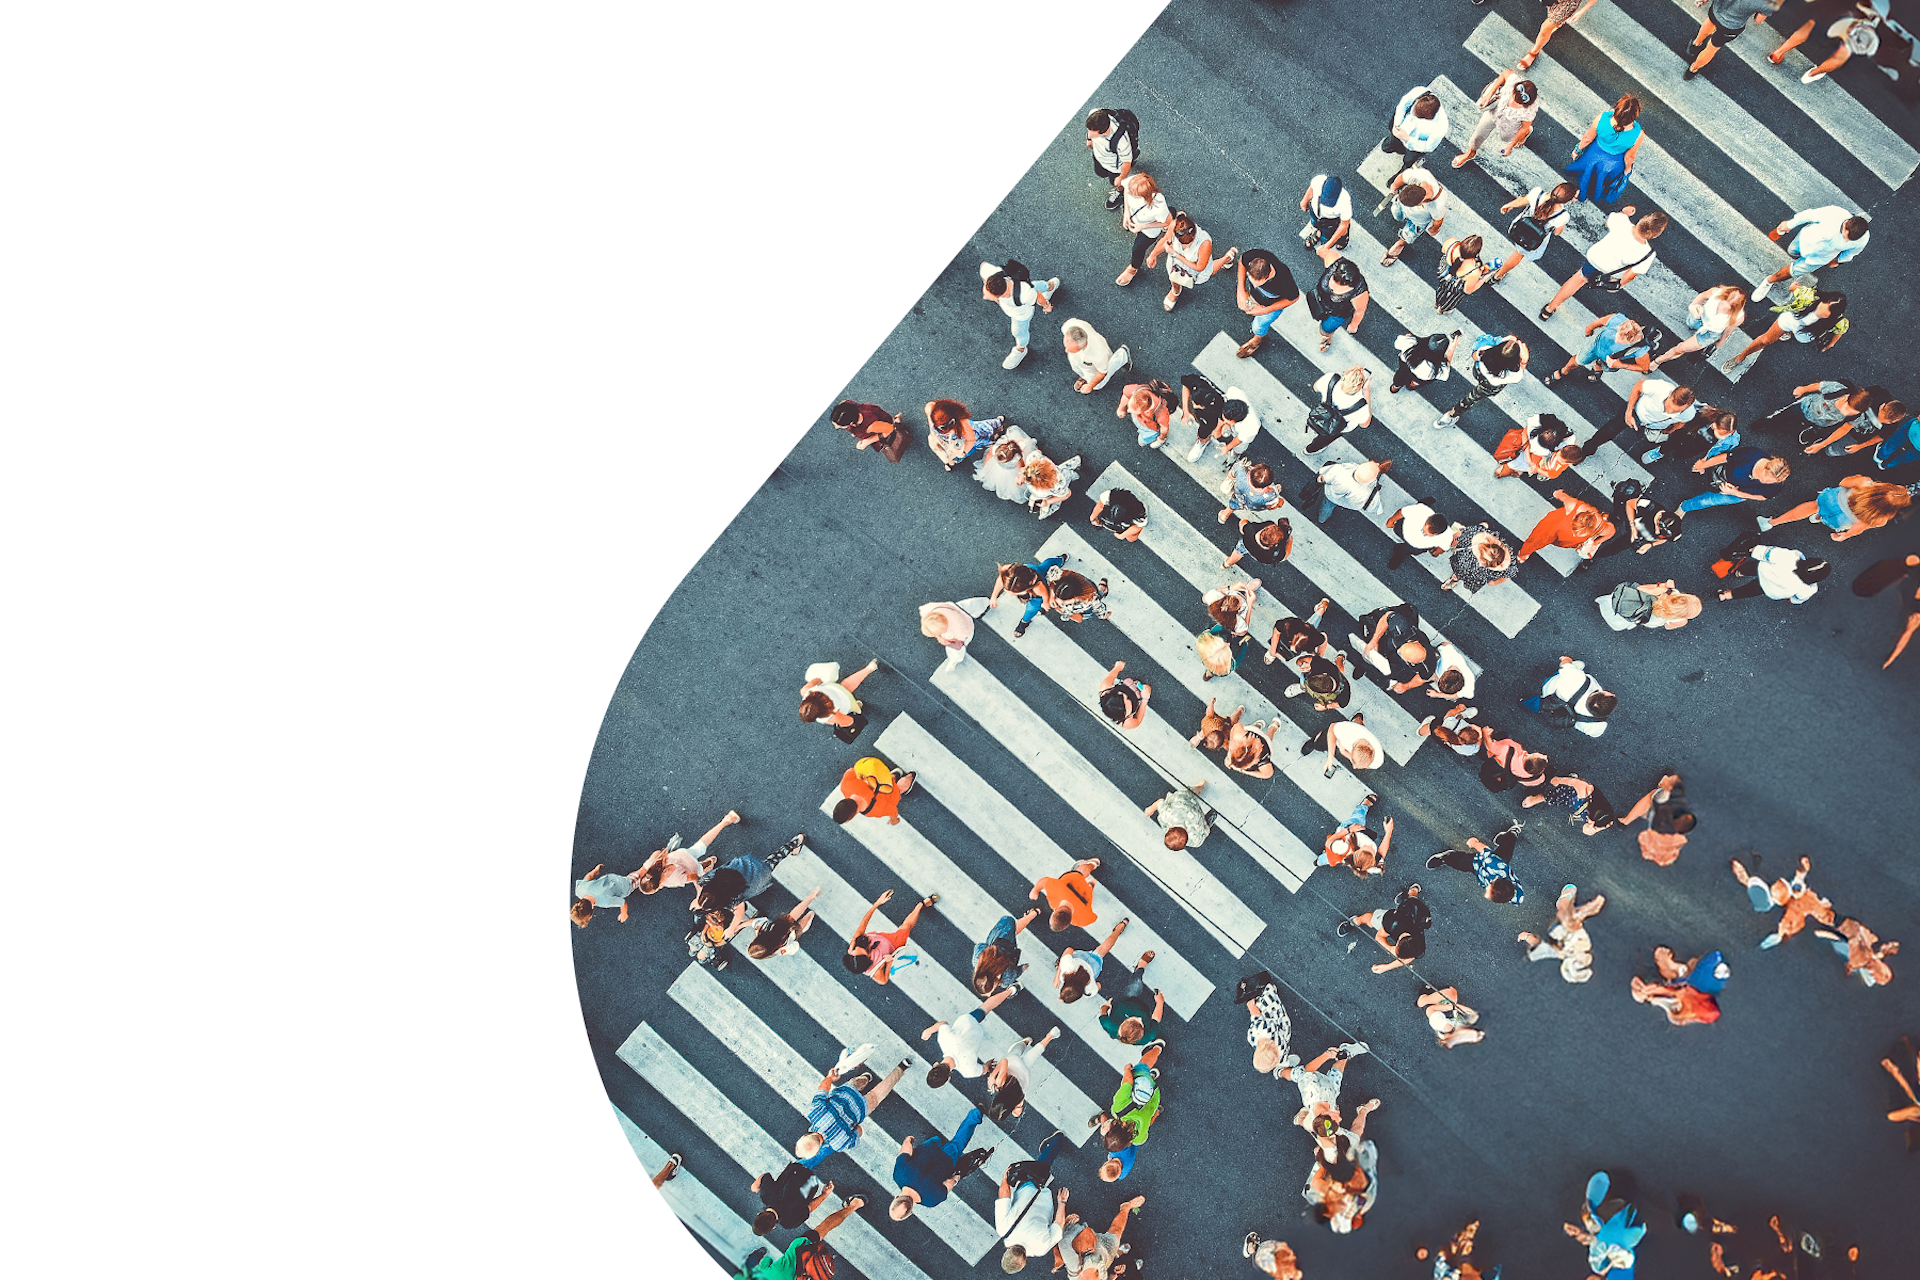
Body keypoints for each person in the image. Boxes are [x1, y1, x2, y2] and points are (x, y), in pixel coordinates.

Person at [1541, 204, 1663, 319]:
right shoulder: (1648, 254)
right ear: (1655, 235)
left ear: (1642, 220)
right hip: (1611, 274)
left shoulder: (1622, 222)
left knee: (1579, 279)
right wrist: (1618, 285)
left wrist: (1624, 212)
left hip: (1597, 260)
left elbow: (1608, 222)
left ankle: (1549, 309)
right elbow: (1631, 275)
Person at [794, 1056, 912, 1168]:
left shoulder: (838, 1144)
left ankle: (902, 1067)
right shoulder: (815, 1113)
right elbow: (824, 1088)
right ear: (805, 1135)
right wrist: (830, 1077)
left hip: (862, 1108)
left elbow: (859, 1131)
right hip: (846, 1092)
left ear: (818, 1149)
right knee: (855, 1084)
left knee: (877, 1094)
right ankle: (866, 1078)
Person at [609, 810, 744, 905]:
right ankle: (726, 820)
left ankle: (706, 863)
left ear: (658, 887)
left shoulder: (672, 881)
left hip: (690, 865)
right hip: (680, 854)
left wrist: (699, 889)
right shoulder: (651, 865)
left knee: (700, 868)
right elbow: (657, 853)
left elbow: (692, 877)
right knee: (702, 843)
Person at [1752, 205, 1870, 304]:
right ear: (1846, 223)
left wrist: (1839, 260)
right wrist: (1790, 224)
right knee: (1791, 251)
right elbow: (1809, 215)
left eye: (1849, 240)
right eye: (1845, 237)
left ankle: (1769, 281)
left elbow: (1852, 252)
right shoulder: (1835, 213)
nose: (1845, 241)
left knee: (1794, 271)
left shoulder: (1862, 239)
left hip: (1819, 259)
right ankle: (1793, 258)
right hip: (1804, 241)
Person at [889, 1107, 992, 1220]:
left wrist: (957, 1176)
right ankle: (938, 1139)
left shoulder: (931, 1200)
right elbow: (906, 1151)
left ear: (911, 1211)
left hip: (946, 1160)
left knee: (959, 1141)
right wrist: (908, 1140)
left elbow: (950, 1182)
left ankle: (976, 1115)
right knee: (934, 1141)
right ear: (896, 1197)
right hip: (927, 1149)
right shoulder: (898, 1175)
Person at [739, 1190, 866, 1279]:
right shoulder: (764, 1273)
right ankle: (855, 1204)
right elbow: (767, 1260)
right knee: (825, 1226)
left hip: (809, 1267)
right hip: (801, 1248)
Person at [994, 1133, 1070, 1273]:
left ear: (1024, 1262)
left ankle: (1056, 1146)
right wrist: (1005, 1178)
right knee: (1043, 1163)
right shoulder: (1003, 1229)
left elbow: (1058, 1224)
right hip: (1027, 1187)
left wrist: (1062, 1202)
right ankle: (1057, 1140)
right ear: (1008, 1251)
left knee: (1044, 1169)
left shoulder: (1041, 1248)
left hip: (1046, 1197)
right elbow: (1004, 1195)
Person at [1722, 288, 1848, 371]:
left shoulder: (1838, 321)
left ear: (1832, 316)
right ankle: (1740, 357)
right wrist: (1794, 287)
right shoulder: (1809, 295)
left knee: (1798, 337)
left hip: (1806, 333)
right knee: (1765, 340)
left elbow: (1840, 331)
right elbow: (1795, 289)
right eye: (1821, 307)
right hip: (1791, 319)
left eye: (1824, 314)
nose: (1819, 312)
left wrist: (1830, 345)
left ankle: (1789, 333)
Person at [922, 985, 1023, 1086]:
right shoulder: (943, 1040)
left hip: (977, 1035)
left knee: (986, 1010)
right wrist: (930, 1030)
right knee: (987, 1006)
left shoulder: (968, 1071)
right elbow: (943, 1023)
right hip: (968, 1021)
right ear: (935, 1064)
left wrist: (987, 1065)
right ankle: (1011, 990)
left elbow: (984, 1069)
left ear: (948, 1078)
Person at [1730, 854, 1833, 948]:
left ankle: (1747, 879)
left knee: (1770, 901)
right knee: (1775, 897)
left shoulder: (1793, 918)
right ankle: (1747, 879)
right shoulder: (1809, 905)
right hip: (1787, 894)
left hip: (1781, 897)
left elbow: (1784, 929)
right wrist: (1802, 873)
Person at [841, 888, 940, 985]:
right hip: (892, 945)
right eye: (865, 951)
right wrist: (889, 963)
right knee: (906, 927)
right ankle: (921, 905)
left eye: (857, 948)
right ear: (867, 959)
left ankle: (921, 905)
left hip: (879, 939)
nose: (860, 946)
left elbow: (863, 924)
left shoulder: (854, 946)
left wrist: (877, 903)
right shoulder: (874, 971)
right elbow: (883, 981)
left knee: (904, 928)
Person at [1769, 476, 1911, 541]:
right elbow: (1859, 527)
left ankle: (1774, 522)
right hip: (1841, 520)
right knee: (1827, 518)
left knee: (1814, 505)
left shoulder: (1865, 482)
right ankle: (1821, 518)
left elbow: (1843, 482)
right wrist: (1845, 535)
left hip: (1833, 500)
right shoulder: (1880, 519)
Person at [1562, 92, 1643, 206]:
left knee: (1587, 172)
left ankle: (1582, 190)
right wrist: (1627, 170)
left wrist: (1577, 150)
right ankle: (1595, 191)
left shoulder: (1602, 118)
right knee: (1601, 179)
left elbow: (1587, 138)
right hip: (1614, 162)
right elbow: (1630, 156)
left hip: (1594, 153)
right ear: (1634, 115)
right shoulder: (1638, 134)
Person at [1432, 335, 1527, 429]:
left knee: (1470, 398)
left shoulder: (1485, 351)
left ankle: (1449, 417)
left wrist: (1502, 341)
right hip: (1490, 386)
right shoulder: (1513, 373)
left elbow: (1474, 356)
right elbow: (1519, 373)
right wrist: (1524, 360)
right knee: (1471, 399)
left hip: (1479, 372)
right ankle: (1450, 416)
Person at [1491, 182, 1576, 286]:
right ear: (1567, 201)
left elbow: (1521, 201)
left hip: (1521, 226)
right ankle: (1497, 276)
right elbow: (1557, 232)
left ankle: (1497, 275)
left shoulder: (1537, 193)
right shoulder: (1563, 216)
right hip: (1533, 238)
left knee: (1518, 251)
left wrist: (1508, 205)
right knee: (1519, 254)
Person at [1518, 883, 1606, 983]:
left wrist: (1527, 936)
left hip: (1559, 927)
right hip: (1570, 924)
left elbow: (1538, 945)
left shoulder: (1560, 952)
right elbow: (1578, 933)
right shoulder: (1584, 946)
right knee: (1572, 919)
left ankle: (1567, 904)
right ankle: (1571, 904)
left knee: (1570, 919)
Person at [1565, 1171, 1647, 1278]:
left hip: (1616, 1229)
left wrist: (1581, 1234)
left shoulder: (1597, 1265)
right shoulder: (1611, 1267)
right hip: (1625, 1232)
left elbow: (1595, 1242)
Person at [1588, 376, 1698, 454]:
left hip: (1653, 425)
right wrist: (1629, 412)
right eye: (1670, 406)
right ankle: (1590, 447)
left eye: (1675, 411)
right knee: (1611, 430)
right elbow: (1638, 386)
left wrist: (1671, 429)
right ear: (1670, 394)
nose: (1669, 411)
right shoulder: (1660, 387)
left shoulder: (1688, 413)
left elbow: (1682, 422)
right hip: (1635, 413)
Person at [980, 260, 1058, 370]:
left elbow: (1037, 296)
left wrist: (1046, 306)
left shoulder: (1023, 295)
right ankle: (1049, 286)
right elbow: (983, 265)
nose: (987, 297)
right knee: (1033, 285)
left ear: (1003, 294)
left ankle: (1021, 349)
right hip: (1025, 287)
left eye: (993, 296)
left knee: (1018, 331)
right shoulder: (994, 276)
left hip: (1021, 314)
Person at [1280, 1041, 1372, 1135]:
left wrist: (1327, 1055)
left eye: (1336, 1118)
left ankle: (1280, 1070)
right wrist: (1334, 1111)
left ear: (1325, 1113)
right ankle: (1346, 1052)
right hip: (1330, 1091)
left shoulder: (1311, 1092)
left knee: (1294, 1074)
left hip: (1311, 1080)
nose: (1340, 1118)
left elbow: (1308, 1070)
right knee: (1337, 1073)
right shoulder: (1323, 1118)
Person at [1151, 210, 1235, 312]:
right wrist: (1153, 255)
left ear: (1194, 236)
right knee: (1174, 276)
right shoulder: (1174, 226)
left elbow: (1200, 267)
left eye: (1187, 244)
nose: (1183, 247)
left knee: (1211, 271)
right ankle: (1175, 291)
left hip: (1194, 267)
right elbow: (1165, 240)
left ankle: (1227, 257)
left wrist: (1175, 254)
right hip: (1176, 263)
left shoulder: (1205, 243)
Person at [1339, 883, 1431, 973]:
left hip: (1417, 912)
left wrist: (1386, 967)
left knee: (1412, 901)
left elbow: (1410, 958)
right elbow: (1379, 936)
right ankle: (1355, 921)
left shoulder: (1418, 947)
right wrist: (1390, 948)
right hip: (1402, 915)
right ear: (1398, 941)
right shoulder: (1392, 923)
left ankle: (1412, 892)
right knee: (1370, 921)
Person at [1455, 69, 1538, 168]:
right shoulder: (1513, 81)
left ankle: (1527, 133)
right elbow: (1504, 74)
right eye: (1514, 95)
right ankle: (1470, 153)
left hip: (1510, 124)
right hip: (1495, 112)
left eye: (1518, 103)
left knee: (1506, 138)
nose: (1512, 101)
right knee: (1478, 134)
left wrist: (1510, 146)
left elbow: (1524, 127)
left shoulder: (1530, 110)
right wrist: (1488, 95)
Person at [1428, 820, 1525, 903]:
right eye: (1488, 890)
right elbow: (1485, 850)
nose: (1485, 894)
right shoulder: (1492, 864)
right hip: (1479, 864)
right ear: (1494, 882)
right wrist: (1474, 843)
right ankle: (1446, 858)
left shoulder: (1516, 897)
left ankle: (1511, 835)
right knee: (1461, 862)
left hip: (1491, 870)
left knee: (1507, 850)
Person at [1676, 447, 1791, 516]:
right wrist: (1703, 465)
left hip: (1736, 493)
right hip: (1724, 475)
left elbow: (1763, 497)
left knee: (1708, 501)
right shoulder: (1752, 454)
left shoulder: (1777, 485)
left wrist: (1737, 494)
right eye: (1766, 476)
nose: (1764, 481)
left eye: (1771, 481)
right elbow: (1726, 458)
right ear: (1767, 466)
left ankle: (1684, 507)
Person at [1652, 286, 1747, 371]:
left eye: (1728, 308)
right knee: (1689, 322)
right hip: (1699, 319)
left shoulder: (1738, 317)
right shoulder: (1716, 292)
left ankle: (1658, 361)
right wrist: (1693, 307)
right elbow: (1701, 297)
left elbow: (1728, 330)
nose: (1723, 307)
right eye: (1723, 301)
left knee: (1680, 348)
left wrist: (1720, 341)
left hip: (1710, 333)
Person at [1544, 311, 1653, 385]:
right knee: (1579, 360)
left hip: (1613, 360)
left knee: (1603, 365)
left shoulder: (1641, 348)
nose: (1616, 338)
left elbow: (1644, 367)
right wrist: (1589, 329)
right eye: (1619, 334)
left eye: (1622, 340)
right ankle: (1564, 370)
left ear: (1632, 341)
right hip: (1595, 346)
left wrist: (1620, 365)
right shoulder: (1617, 320)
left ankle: (1597, 368)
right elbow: (1600, 322)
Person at [1522, 655, 1616, 738]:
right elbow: (1591, 733)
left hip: (1549, 690)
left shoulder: (1579, 679)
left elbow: (1564, 663)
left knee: (1579, 665)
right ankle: (1524, 703)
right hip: (1562, 711)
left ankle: (1525, 702)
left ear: (1598, 693)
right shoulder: (1599, 726)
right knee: (1539, 705)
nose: (1612, 693)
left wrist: (1566, 658)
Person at [1054, 1195, 1147, 1280]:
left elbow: (1064, 1242)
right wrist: (1115, 1275)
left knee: (1067, 1235)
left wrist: (1070, 1229)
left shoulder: (1075, 1267)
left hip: (1084, 1246)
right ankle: (1126, 1207)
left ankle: (1066, 1225)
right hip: (1106, 1256)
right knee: (1116, 1231)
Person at [1631, 946, 1729, 1025]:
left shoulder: (1687, 990)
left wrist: (1645, 992)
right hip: (1698, 983)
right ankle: (1678, 970)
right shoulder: (1695, 990)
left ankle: (1678, 970)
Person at [1349, 601, 1434, 692]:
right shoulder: (1402, 627)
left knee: (1391, 664)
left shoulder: (1429, 665)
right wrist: (1374, 641)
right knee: (1369, 647)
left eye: (1401, 653)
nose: (1399, 650)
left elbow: (1423, 678)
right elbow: (1387, 616)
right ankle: (1364, 664)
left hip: (1393, 652)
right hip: (1387, 634)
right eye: (1402, 647)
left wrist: (1406, 686)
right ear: (1414, 642)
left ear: (1413, 663)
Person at [1685, 0, 1783, 78]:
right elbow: (1758, 20)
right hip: (1732, 26)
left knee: (1709, 23)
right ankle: (1693, 69)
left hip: (1717, 10)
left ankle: (1695, 44)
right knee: (1712, 49)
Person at [984, 1029, 1062, 1125]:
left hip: (1025, 1074)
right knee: (1015, 1050)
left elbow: (1017, 1113)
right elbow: (1004, 1061)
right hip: (1014, 1062)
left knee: (1034, 1055)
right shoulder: (1000, 1083)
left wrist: (1014, 1112)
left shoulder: (1016, 1101)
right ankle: (1026, 1042)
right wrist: (992, 1076)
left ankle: (1050, 1036)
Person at [1617, 772, 1695, 865]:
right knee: (1659, 797)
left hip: (1655, 814)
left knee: (1657, 797)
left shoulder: (1672, 820)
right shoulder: (1678, 807)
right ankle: (1627, 820)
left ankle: (1626, 820)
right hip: (1656, 813)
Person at [1234, 248, 1300, 358]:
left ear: (1268, 275)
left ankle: (1257, 340)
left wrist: (1263, 311)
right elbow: (1242, 261)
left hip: (1271, 305)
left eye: (1259, 284)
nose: (1255, 286)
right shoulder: (1254, 257)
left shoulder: (1284, 279)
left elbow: (1293, 298)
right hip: (1259, 298)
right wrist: (1241, 290)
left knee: (1258, 326)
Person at [1516, 490, 1612, 565]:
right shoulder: (1599, 526)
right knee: (1538, 539)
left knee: (1539, 539)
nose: (1574, 534)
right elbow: (1611, 532)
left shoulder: (1574, 506)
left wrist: (1558, 494)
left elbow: (1565, 497)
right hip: (1560, 533)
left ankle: (1524, 554)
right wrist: (1595, 542)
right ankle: (1524, 553)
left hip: (1558, 529)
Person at [1378, 166, 1449, 267]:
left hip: (1419, 220)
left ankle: (1400, 243)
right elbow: (1402, 177)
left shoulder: (1439, 204)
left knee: (1410, 236)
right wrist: (1394, 186)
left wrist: (1433, 230)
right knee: (1395, 211)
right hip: (1404, 205)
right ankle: (1403, 212)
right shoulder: (1420, 175)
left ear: (1420, 204)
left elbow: (1437, 223)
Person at [1715, 543, 1830, 603]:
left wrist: (1754, 550)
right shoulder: (1809, 588)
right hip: (1769, 589)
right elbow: (1800, 598)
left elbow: (1769, 553)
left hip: (1764, 570)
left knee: (1751, 568)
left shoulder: (1791, 558)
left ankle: (1739, 572)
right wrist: (1792, 600)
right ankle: (1725, 596)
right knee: (1748, 591)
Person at [1056, 916, 1132, 1006]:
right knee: (1100, 948)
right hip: (1080, 958)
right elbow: (1069, 950)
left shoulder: (1089, 991)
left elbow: (1098, 985)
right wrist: (1057, 975)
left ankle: (1118, 930)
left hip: (1094, 967)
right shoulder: (1067, 969)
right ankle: (1118, 929)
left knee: (1103, 949)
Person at [1376, 85, 1450, 177]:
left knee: (1408, 161)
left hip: (1415, 146)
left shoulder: (1440, 127)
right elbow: (1403, 105)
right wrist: (1397, 124)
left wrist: (1407, 139)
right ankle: (1396, 147)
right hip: (1399, 130)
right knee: (1387, 146)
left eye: (1417, 115)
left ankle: (1402, 174)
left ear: (1427, 118)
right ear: (1419, 99)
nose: (1413, 114)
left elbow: (1429, 146)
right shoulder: (1420, 92)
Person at [1115, 172, 1173, 287]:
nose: (1130, 193)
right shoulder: (1134, 182)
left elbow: (1167, 222)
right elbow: (1127, 190)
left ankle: (1133, 268)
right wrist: (1127, 212)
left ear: (1145, 194)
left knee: (1138, 249)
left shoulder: (1158, 204)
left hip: (1148, 230)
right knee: (1167, 213)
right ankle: (1176, 213)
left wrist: (1142, 226)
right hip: (1135, 218)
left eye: (1134, 194)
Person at [1308, 247, 1370, 352]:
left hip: (1337, 313)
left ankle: (1328, 337)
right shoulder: (1333, 261)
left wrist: (1354, 325)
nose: (1334, 289)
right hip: (1320, 301)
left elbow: (1360, 310)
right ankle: (1327, 338)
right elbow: (1321, 251)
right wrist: (1322, 249)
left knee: (1325, 330)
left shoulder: (1360, 292)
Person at [1097, 950, 1165, 1045]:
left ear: (1123, 1023)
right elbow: (1155, 1019)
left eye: (1135, 1019)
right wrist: (1160, 1003)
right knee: (1136, 986)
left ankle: (1140, 967)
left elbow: (1103, 1013)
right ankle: (1140, 968)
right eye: (1141, 1022)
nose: (1140, 1018)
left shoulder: (1110, 1026)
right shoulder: (1148, 1036)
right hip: (1144, 1009)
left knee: (1135, 985)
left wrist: (1107, 1005)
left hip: (1124, 1001)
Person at [750, 1161, 835, 1235]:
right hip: (796, 1168)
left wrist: (825, 1194)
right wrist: (755, 1186)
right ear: (759, 1213)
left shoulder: (789, 1222)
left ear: (773, 1227)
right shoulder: (766, 1194)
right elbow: (765, 1176)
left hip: (811, 1181)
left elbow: (810, 1207)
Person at [989, 555, 1064, 639]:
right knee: (1043, 567)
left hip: (1035, 595)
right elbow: (1001, 578)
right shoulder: (1010, 573)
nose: (1010, 595)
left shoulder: (1038, 588)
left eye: (1015, 593)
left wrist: (1045, 603)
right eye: (1008, 591)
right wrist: (994, 596)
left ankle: (1024, 622)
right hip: (1031, 569)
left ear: (1031, 584)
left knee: (1031, 609)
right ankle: (1059, 560)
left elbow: (1045, 595)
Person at [973, 907, 1041, 997]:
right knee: (1009, 923)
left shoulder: (1006, 978)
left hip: (1009, 948)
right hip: (997, 940)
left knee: (1012, 929)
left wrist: (1023, 967)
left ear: (994, 983)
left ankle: (1033, 914)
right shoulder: (977, 958)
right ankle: (1032, 914)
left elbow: (1017, 971)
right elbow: (980, 946)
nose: (989, 995)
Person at [799, 659, 877, 737]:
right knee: (847, 684)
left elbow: (849, 721)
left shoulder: (831, 717)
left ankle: (858, 706)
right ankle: (869, 668)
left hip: (846, 701)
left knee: (855, 708)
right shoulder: (806, 691)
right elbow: (817, 680)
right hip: (834, 688)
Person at [1493, 412, 1580, 482]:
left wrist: (1532, 463)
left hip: (1535, 460)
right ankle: (1512, 468)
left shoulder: (1567, 443)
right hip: (1527, 453)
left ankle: (1509, 469)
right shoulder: (1543, 422)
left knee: (1517, 463)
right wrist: (1528, 458)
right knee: (1517, 462)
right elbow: (1525, 433)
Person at [833, 755, 918, 826]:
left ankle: (910, 776)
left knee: (899, 788)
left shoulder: (874, 810)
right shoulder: (845, 786)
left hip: (890, 793)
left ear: (851, 817)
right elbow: (852, 771)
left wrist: (894, 819)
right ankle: (892, 776)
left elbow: (893, 810)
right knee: (884, 780)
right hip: (875, 777)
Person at [1318, 796, 1393, 876]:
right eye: (1371, 852)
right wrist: (1388, 832)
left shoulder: (1343, 847)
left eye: (1366, 849)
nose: (1370, 846)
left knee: (1358, 819)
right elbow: (1381, 853)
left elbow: (1329, 843)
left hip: (1349, 831)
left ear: (1357, 851)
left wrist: (1348, 830)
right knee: (1331, 858)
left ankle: (1318, 861)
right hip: (1357, 835)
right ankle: (1319, 861)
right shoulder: (1371, 866)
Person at [1641, 407, 1737, 469]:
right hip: (1684, 435)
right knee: (1671, 444)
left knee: (1681, 454)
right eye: (1717, 430)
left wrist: (1706, 460)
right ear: (1715, 423)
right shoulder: (1706, 415)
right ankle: (1660, 452)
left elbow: (1720, 449)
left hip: (1696, 447)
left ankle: (1673, 453)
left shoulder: (1729, 438)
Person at [1815, 917, 1899, 986]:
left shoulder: (1858, 963)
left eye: (1873, 975)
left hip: (1841, 934)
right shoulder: (1874, 949)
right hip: (1845, 926)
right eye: (1875, 973)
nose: (1871, 973)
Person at [1517, 0, 1602, 69]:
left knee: (1545, 29)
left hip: (1566, 4)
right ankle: (1558, 23)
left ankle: (1534, 52)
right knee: (1549, 10)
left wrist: (1581, 12)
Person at [1305, 366, 1373, 453]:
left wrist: (1345, 371)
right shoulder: (1361, 406)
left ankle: (1310, 448)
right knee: (1326, 438)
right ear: (1361, 386)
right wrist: (1367, 394)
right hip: (1338, 426)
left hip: (1322, 413)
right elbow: (1364, 424)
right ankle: (1311, 450)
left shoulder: (1331, 378)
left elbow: (1315, 387)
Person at [1525, 772, 1618, 834]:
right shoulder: (1587, 792)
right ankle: (1541, 797)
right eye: (1590, 819)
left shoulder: (1605, 820)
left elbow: (1586, 830)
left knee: (1565, 800)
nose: (1589, 822)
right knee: (1555, 796)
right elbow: (1573, 782)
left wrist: (1594, 826)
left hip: (1577, 803)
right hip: (1574, 793)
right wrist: (1559, 780)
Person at [925, 398, 1003, 471]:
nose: (947, 431)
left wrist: (962, 453)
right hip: (949, 442)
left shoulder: (964, 425)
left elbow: (972, 440)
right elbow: (929, 406)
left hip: (965, 439)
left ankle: (997, 426)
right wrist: (933, 435)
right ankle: (950, 461)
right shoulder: (935, 416)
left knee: (982, 431)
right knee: (946, 453)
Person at [1439, 523, 1516, 595]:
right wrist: (1493, 582)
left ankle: (1455, 577)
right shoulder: (1507, 566)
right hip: (1474, 575)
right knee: (1466, 575)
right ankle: (1455, 578)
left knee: (1461, 570)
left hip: (1463, 563)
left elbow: (1454, 540)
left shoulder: (1473, 535)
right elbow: (1507, 575)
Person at [1084, 107, 1137, 211]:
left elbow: (1127, 161)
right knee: (1101, 173)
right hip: (1099, 157)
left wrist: (1121, 177)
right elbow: (1090, 132)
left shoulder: (1121, 141)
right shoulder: (1095, 114)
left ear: (1104, 131)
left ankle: (1120, 192)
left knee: (1116, 182)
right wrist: (1089, 139)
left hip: (1115, 167)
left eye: (1093, 133)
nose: (1089, 134)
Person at [1311, 457, 1390, 525]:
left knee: (1327, 506)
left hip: (1332, 496)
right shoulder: (1370, 491)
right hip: (1351, 504)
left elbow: (1322, 478)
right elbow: (1373, 507)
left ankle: (1321, 519)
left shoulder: (1340, 471)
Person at [1598, 579, 1702, 631]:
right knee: (1628, 619)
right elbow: (1667, 626)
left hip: (1630, 600)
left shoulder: (1667, 591)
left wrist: (1664, 585)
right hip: (1643, 616)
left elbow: (1640, 589)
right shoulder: (1681, 621)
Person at [1243, 973, 1293, 1076]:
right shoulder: (1260, 1032)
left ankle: (1284, 1065)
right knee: (1269, 1002)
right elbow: (1256, 1015)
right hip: (1274, 1019)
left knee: (1282, 1055)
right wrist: (1250, 1004)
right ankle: (1269, 989)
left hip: (1283, 1036)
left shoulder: (1279, 1051)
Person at [1386, 498, 1459, 569]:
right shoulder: (1420, 511)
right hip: (1402, 529)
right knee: (1419, 507)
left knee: (1403, 551)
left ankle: (1397, 557)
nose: (1423, 534)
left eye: (1427, 534)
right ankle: (1425, 502)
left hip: (1416, 546)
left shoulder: (1447, 536)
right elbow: (1402, 512)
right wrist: (1391, 521)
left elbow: (1442, 549)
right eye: (1423, 530)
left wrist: (1436, 552)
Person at [1062, 320, 1130, 394]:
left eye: (1072, 349)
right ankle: (1086, 378)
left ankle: (1122, 355)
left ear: (1083, 347)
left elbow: (1102, 373)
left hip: (1100, 358)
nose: (1066, 350)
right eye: (1066, 345)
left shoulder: (1098, 354)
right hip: (1082, 361)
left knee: (1098, 384)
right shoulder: (1069, 326)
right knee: (1078, 368)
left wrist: (1091, 385)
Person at [1303, 716, 1384, 778]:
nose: (1354, 767)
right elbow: (1332, 728)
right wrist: (1330, 757)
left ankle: (1357, 719)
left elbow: (1363, 764)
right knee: (1321, 743)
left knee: (1358, 726)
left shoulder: (1377, 762)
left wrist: (1343, 751)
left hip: (1352, 736)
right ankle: (1315, 741)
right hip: (1345, 733)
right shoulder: (1349, 731)